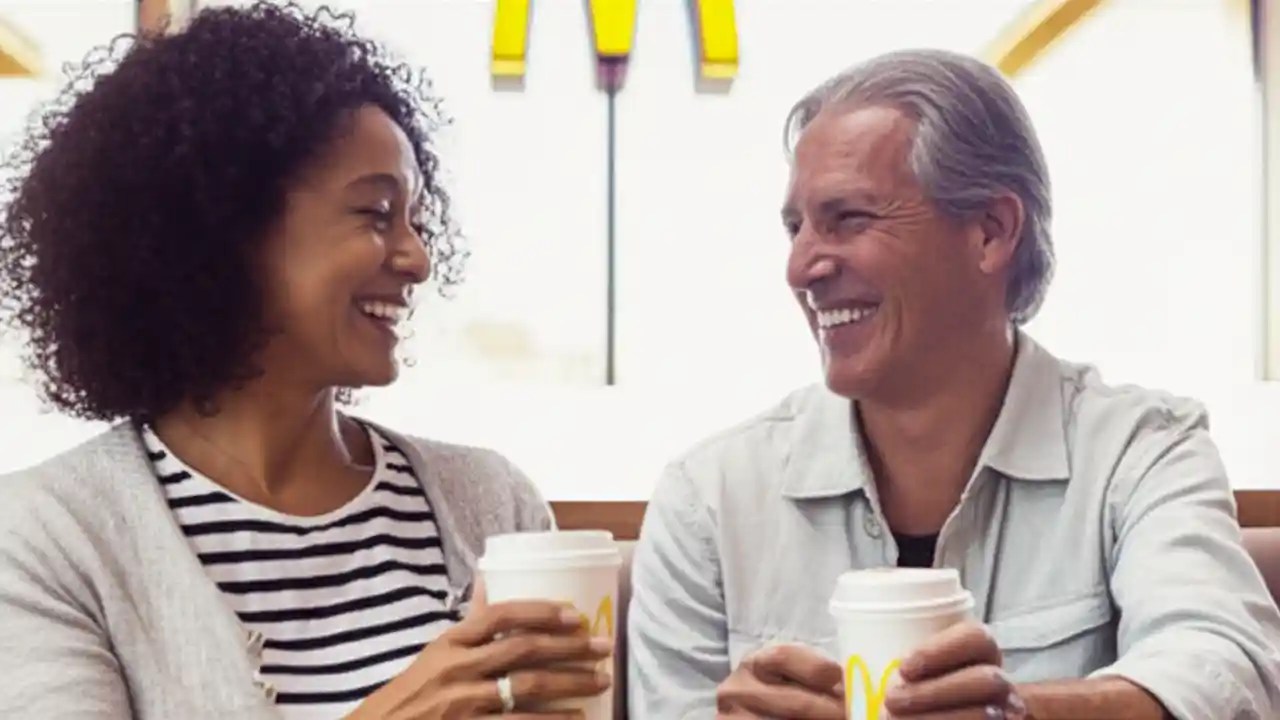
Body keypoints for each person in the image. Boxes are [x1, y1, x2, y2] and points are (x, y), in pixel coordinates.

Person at [628, 48, 1280, 719]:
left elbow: (1225, 675)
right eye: (796, 228)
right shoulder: (709, 502)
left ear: (992, 232)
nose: (801, 267)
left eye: (848, 218)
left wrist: (1012, 712)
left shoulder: (1140, 453)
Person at [0, 4, 609, 719]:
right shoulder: (45, 537)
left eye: (415, 218)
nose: (418, 258)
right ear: (226, 232)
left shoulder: (491, 501)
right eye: (377, 214)